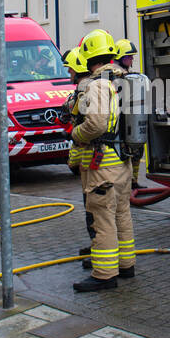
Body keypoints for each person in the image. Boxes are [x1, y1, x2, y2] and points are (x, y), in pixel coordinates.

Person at [70, 29, 134, 292]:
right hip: (123, 161)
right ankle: (126, 265)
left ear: (88, 57)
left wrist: (77, 134)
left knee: (103, 218)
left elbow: (95, 123)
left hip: (103, 164)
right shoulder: (125, 80)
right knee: (122, 214)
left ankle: (104, 275)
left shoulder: (97, 85)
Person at [62, 48, 94, 269]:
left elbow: (78, 121)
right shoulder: (94, 86)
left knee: (93, 208)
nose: (69, 73)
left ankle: (99, 252)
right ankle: (97, 247)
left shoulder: (84, 90)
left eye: (71, 69)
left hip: (90, 158)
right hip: (93, 159)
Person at [113, 38, 147, 188]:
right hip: (121, 119)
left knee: (137, 149)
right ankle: (127, 183)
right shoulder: (115, 74)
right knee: (126, 151)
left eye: (132, 56)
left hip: (130, 117)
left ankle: (133, 181)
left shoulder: (126, 73)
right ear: (120, 57)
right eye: (128, 56)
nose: (132, 59)